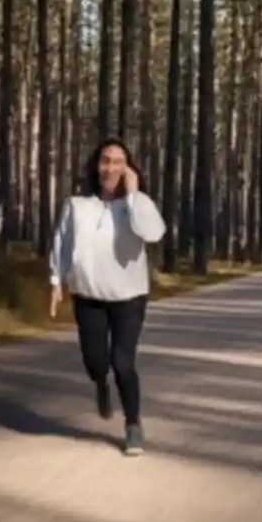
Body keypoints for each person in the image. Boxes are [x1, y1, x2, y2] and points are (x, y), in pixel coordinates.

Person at [50, 137, 166, 456]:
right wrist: (56, 281)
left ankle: (132, 424)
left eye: (119, 162)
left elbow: (153, 233)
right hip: (88, 295)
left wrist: (132, 195)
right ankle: (100, 384)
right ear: (96, 166)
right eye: (105, 160)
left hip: (129, 296)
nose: (111, 167)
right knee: (95, 362)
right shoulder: (77, 206)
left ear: (128, 168)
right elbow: (62, 242)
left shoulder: (139, 204)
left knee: (122, 363)